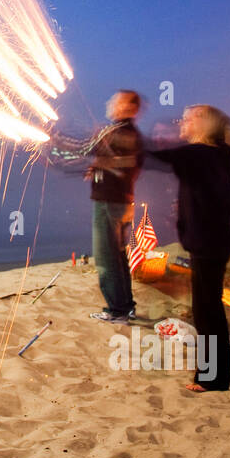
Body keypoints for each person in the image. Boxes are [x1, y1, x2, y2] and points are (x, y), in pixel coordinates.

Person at [146, 105, 230, 392]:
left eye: (187, 118)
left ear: (202, 123)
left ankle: (213, 379)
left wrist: (122, 140)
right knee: (210, 309)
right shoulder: (215, 156)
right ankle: (217, 375)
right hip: (212, 242)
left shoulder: (201, 155)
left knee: (207, 311)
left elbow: (157, 155)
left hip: (209, 243)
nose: (181, 123)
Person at [48, 91, 145, 323]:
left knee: (106, 257)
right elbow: (123, 164)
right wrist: (100, 168)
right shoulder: (132, 134)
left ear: (129, 107)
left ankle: (117, 311)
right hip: (123, 202)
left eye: (116, 101)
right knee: (119, 255)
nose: (109, 103)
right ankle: (126, 305)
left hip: (109, 204)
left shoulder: (113, 132)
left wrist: (52, 134)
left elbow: (82, 147)